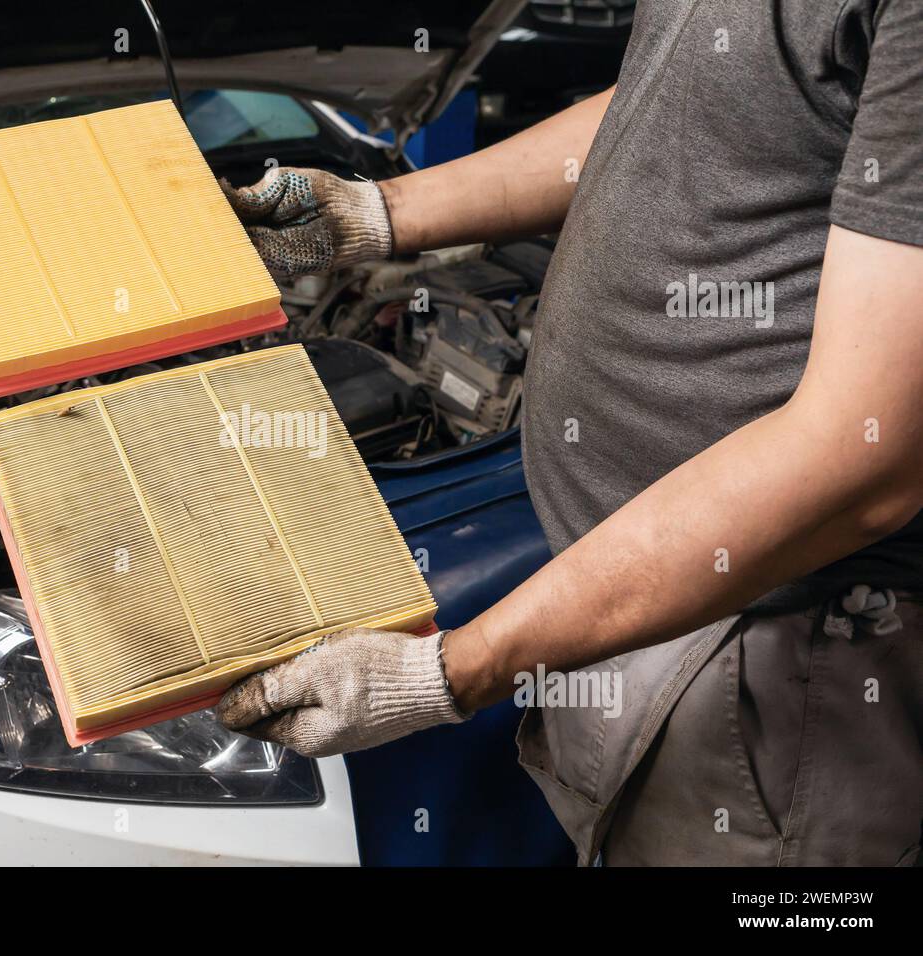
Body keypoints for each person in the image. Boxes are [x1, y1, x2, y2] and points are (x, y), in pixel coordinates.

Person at [216, 0, 923, 866]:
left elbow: (865, 457)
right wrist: (374, 214)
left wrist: (450, 670)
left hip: (776, 662)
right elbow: (673, 111)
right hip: (621, 595)